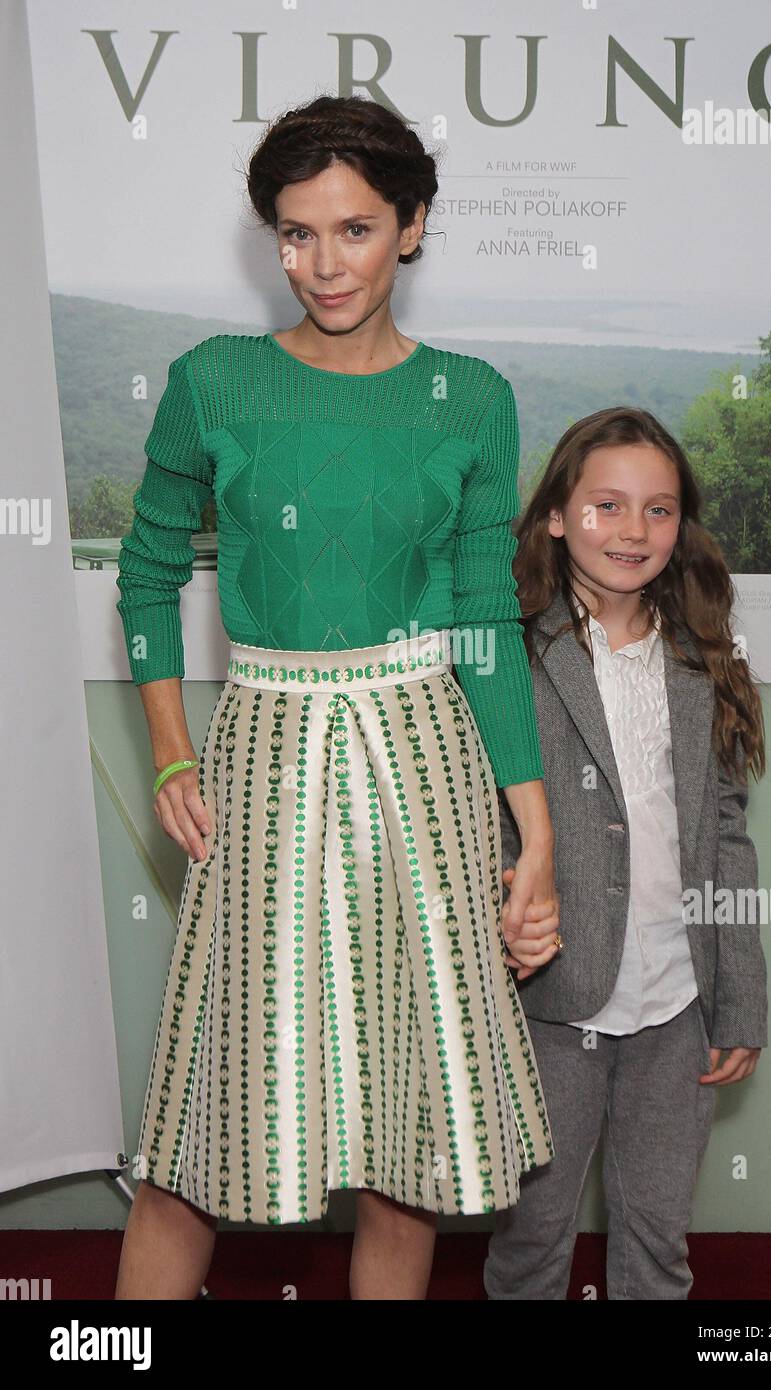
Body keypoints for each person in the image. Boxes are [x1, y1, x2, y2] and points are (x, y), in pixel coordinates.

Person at [114, 94, 561, 1301]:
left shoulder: (471, 397)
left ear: (412, 228)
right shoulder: (215, 381)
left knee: (407, 1148)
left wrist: (535, 828)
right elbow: (150, 574)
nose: (325, 263)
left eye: (356, 230)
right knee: (200, 1132)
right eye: (298, 234)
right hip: (260, 750)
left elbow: (483, 622)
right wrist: (169, 750)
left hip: (424, 763)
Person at [483, 406, 768, 1299]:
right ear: (559, 516)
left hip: (676, 1002)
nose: (633, 531)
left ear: (682, 524)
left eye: (659, 509)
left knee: (657, 1241)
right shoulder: (509, 649)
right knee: (534, 1241)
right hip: (549, 1002)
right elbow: (476, 820)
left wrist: (742, 997)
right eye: (607, 506)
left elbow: (727, 831)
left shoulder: (706, 653)